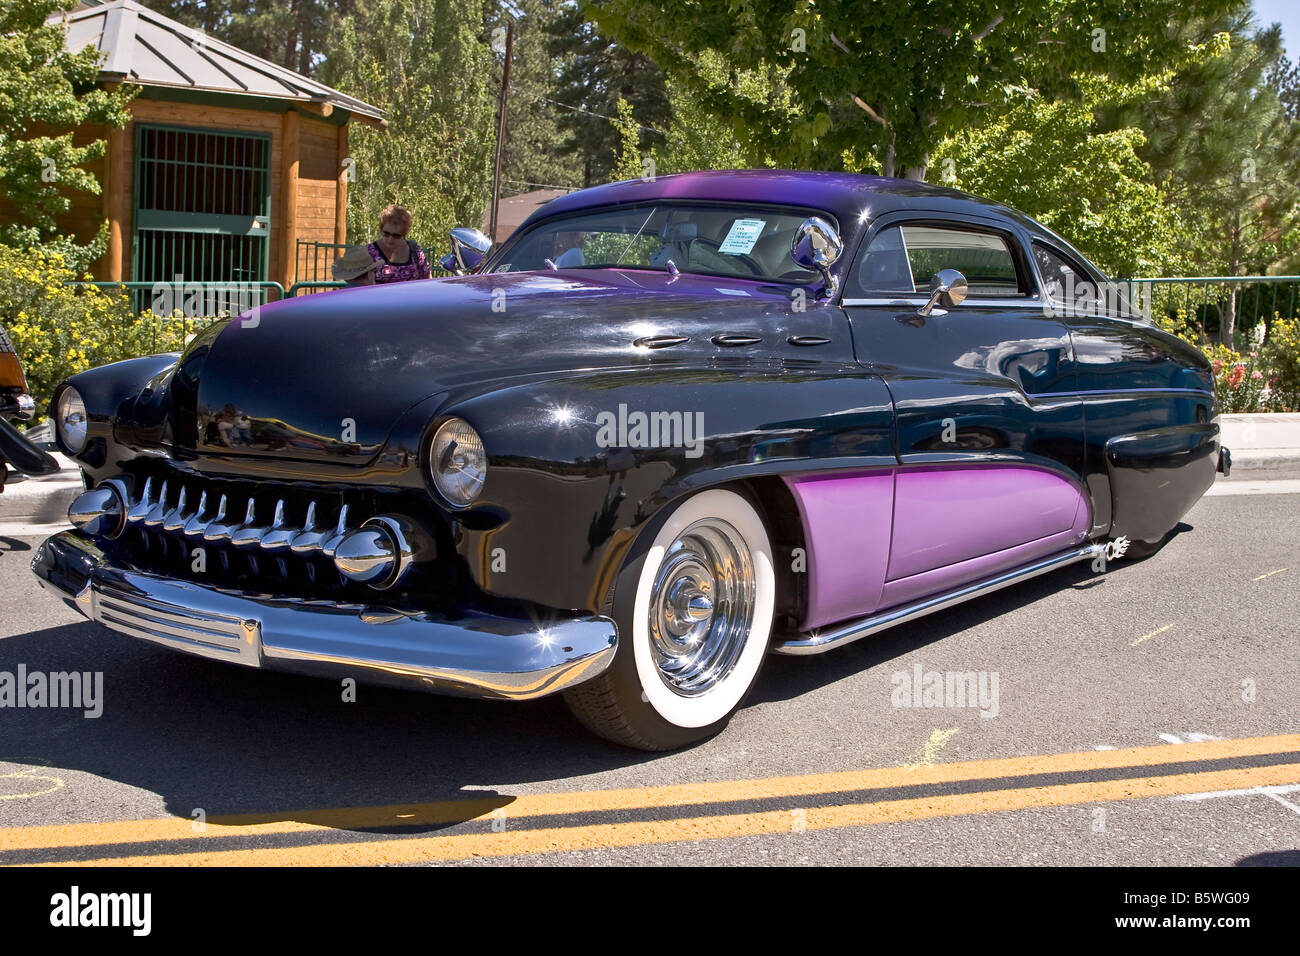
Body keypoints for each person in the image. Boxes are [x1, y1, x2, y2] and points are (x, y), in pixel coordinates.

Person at [366, 204, 432, 283]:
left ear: (404, 234)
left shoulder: (415, 252)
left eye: (396, 235)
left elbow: (427, 280)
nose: (390, 239)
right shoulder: (369, 252)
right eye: (386, 233)